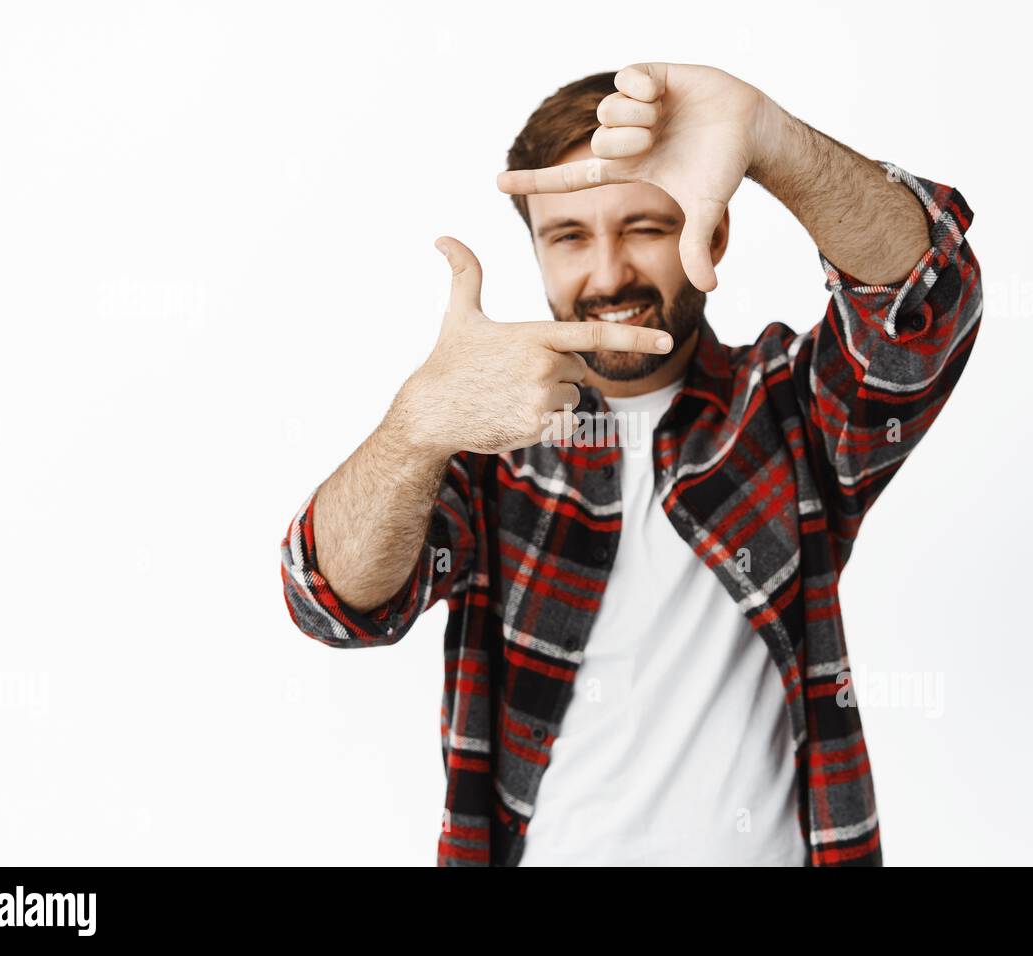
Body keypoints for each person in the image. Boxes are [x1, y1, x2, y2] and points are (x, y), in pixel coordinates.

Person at [280, 61, 982, 866]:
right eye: (570, 237)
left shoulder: (787, 412)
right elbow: (330, 602)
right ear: (537, 253)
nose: (608, 274)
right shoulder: (486, 454)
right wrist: (415, 429)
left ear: (710, 234)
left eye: (645, 227)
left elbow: (925, 306)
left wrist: (770, 137)